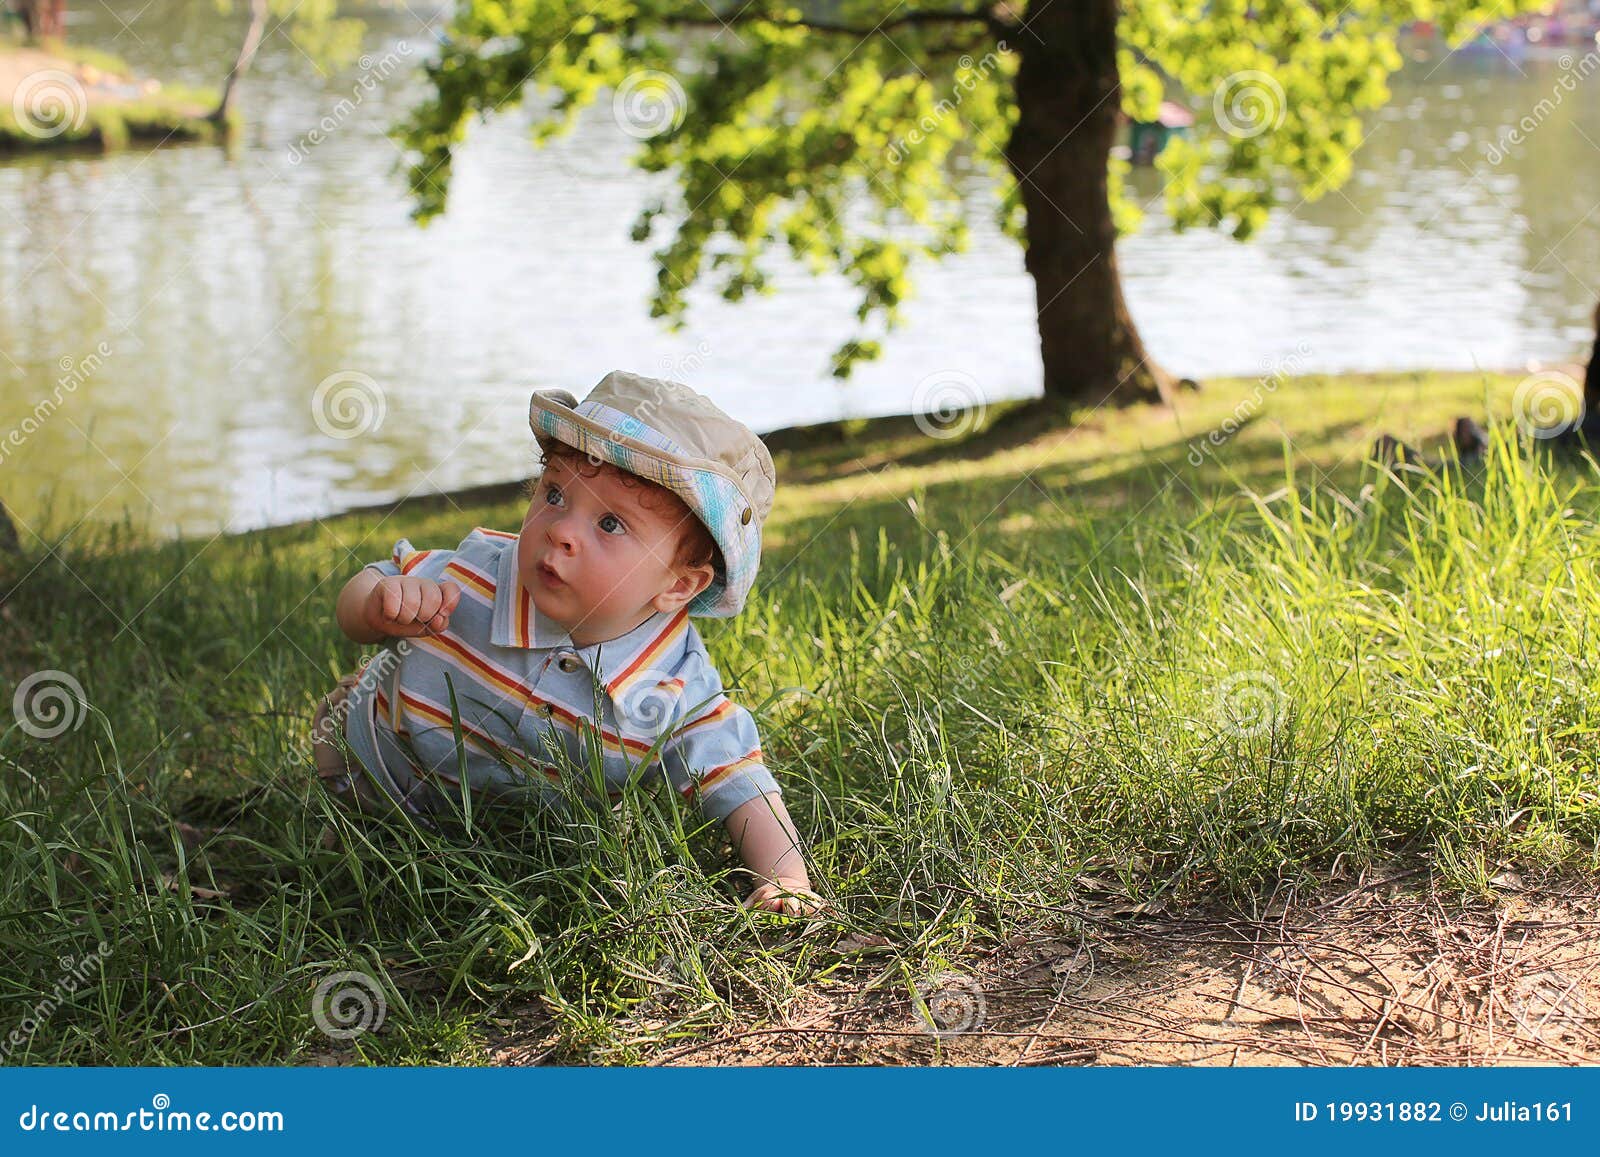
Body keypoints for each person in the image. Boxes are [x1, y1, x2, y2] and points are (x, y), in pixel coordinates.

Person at [310, 371, 822, 916]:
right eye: (555, 494)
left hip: (512, 831)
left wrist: (785, 878)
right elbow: (364, 594)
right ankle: (350, 832)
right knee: (351, 865)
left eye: (609, 523)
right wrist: (380, 601)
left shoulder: (672, 684)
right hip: (378, 764)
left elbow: (736, 776)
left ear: (678, 584)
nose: (561, 530)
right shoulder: (472, 575)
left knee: (501, 859)